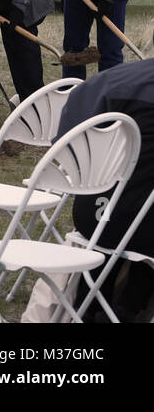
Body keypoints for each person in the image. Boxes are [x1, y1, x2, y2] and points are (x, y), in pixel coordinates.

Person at [57, 58, 154, 322]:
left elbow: (65, 146)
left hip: (92, 215)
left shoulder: (106, 81)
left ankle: (93, 306)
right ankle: (132, 306)